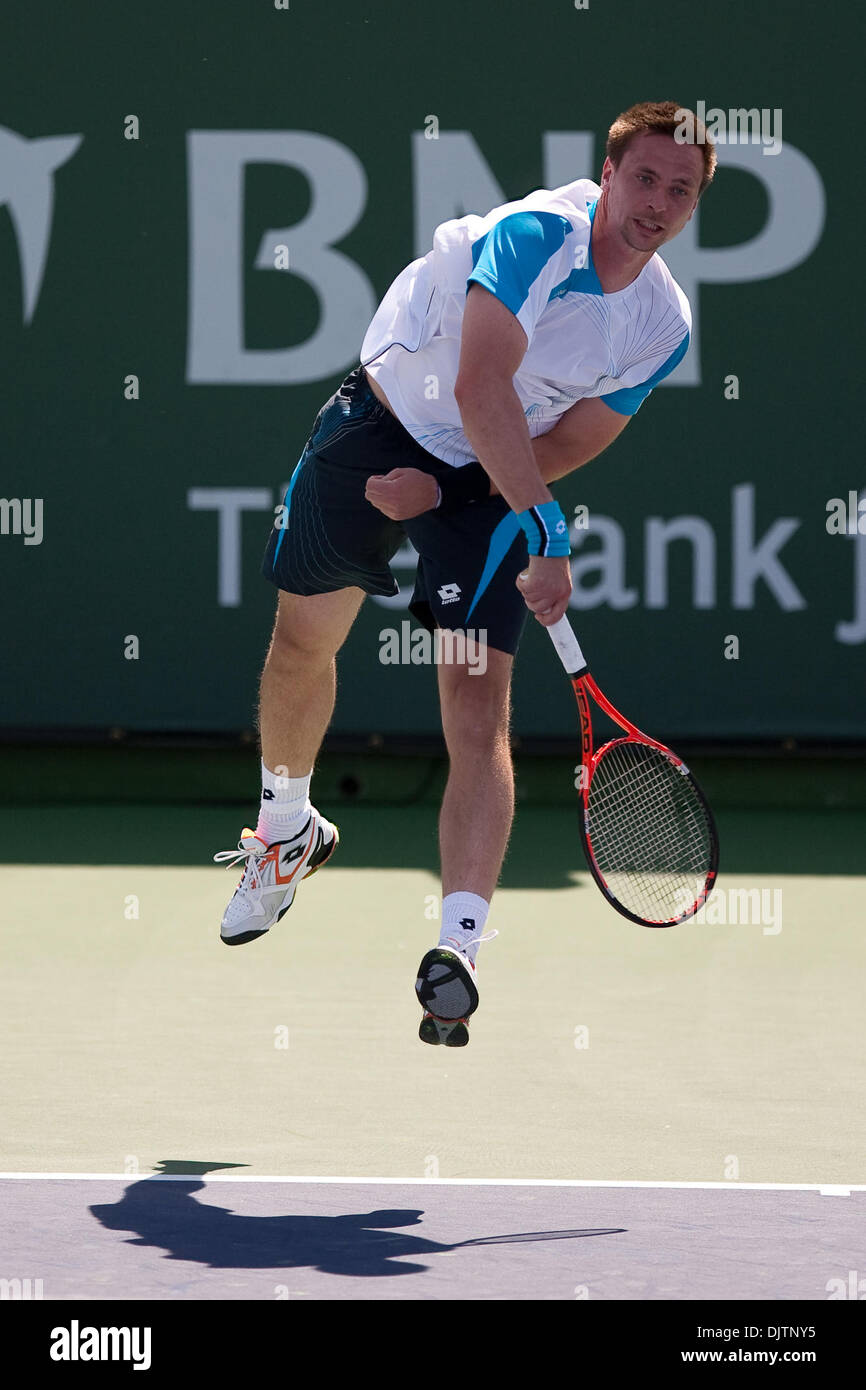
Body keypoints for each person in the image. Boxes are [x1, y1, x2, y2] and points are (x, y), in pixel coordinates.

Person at [214, 101, 716, 1047]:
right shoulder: (536, 237)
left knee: (475, 702)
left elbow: (571, 436)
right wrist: (549, 531)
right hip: (387, 418)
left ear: (693, 209)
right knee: (303, 643)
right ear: (608, 176)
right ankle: (287, 824)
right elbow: (482, 386)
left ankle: (458, 949)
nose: (657, 202)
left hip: (494, 470)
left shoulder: (662, 324)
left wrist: (459, 498)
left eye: (680, 191)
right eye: (644, 178)